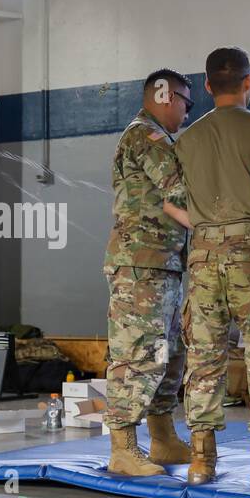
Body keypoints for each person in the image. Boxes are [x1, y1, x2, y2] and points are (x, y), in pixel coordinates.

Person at [162, 49, 250, 488]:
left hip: (202, 256)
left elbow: (168, 203)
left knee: (203, 359)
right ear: (248, 81)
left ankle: (201, 462)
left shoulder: (185, 140)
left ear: (205, 86)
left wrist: (204, 225)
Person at [103, 68, 196, 476]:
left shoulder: (160, 137)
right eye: (186, 103)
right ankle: (122, 447)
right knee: (137, 353)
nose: (188, 113)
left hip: (164, 264)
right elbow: (179, 190)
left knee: (168, 354)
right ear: (166, 96)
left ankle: (162, 438)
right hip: (141, 265)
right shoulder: (147, 136)